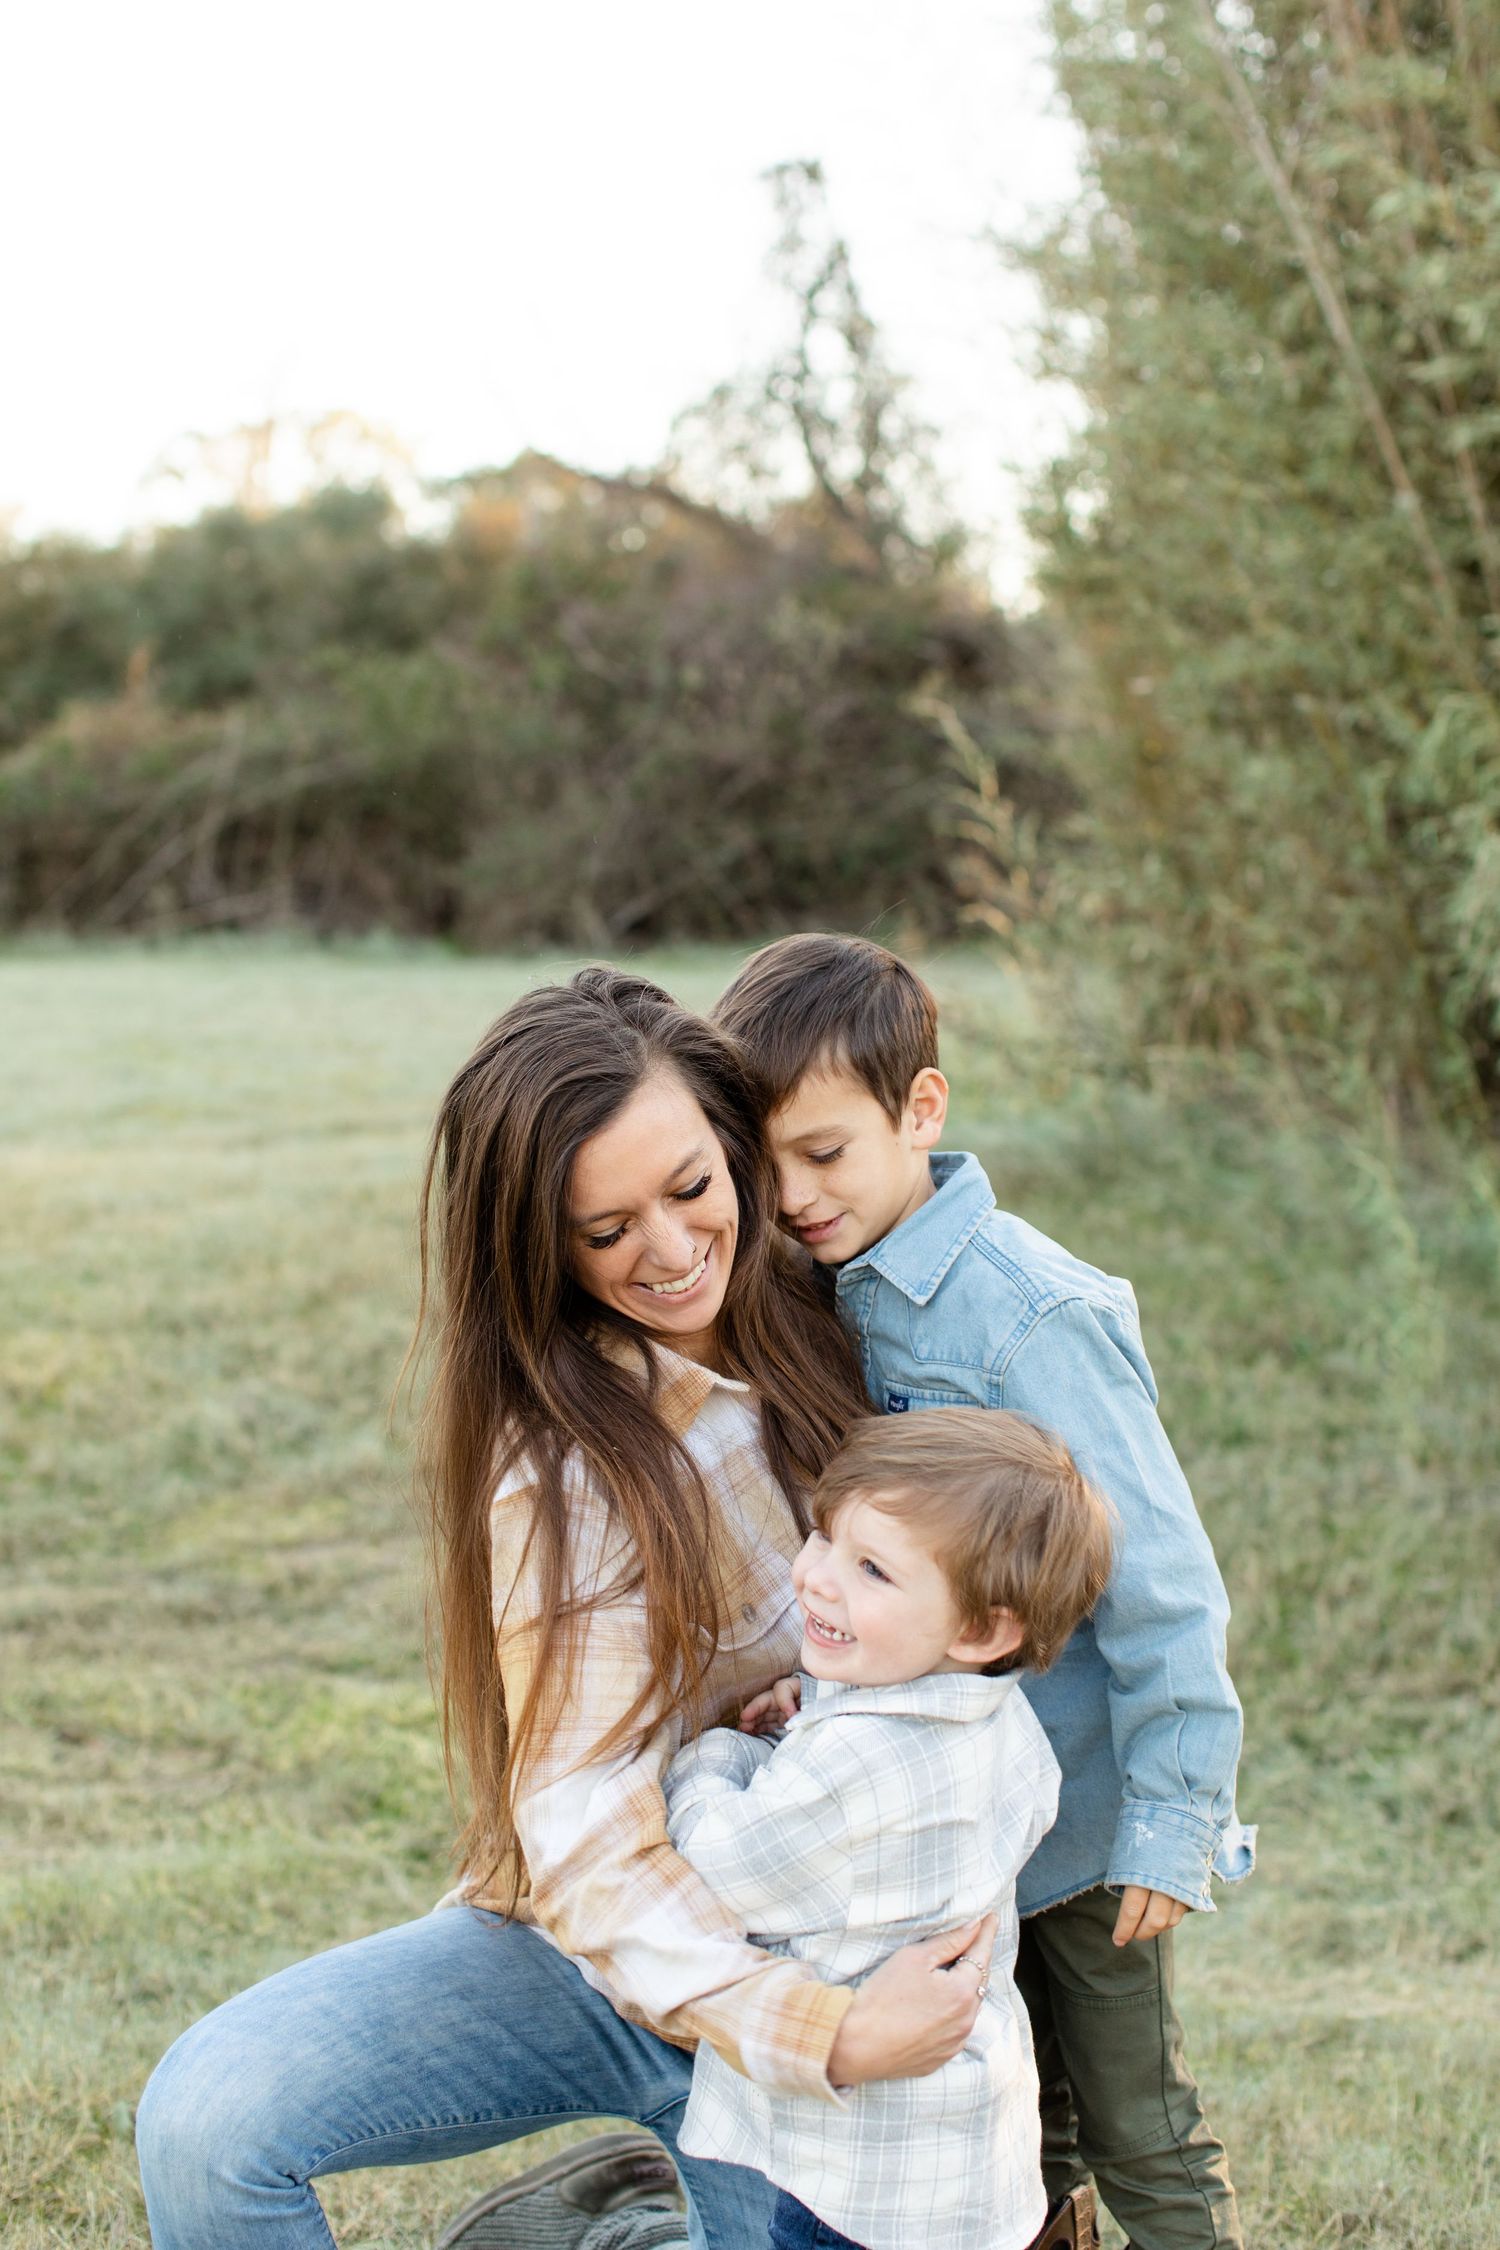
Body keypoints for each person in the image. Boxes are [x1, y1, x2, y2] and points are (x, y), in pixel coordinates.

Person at [134, 967, 1001, 2250]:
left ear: (735, 1143)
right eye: (604, 1232)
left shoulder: (847, 1312)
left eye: (692, 1187)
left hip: (840, 1922)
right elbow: (585, 1827)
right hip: (640, 1952)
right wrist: (814, 2030)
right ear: (540, 1246)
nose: (667, 1250)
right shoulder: (568, 1465)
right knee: (209, 2122)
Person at [712, 934, 1257, 2250]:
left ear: (923, 1109)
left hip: (1076, 1824)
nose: (790, 1196)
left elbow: (1166, 1583)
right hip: (949, 1824)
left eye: (825, 1153)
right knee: (1012, 2124)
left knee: (1139, 2122)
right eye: (765, 1163)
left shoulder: (1026, 1313)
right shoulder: (821, 1292)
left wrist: (1176, 1813)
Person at [663, 1408, 1113, 2250]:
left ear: (981, 1629)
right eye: (825, 1537)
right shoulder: (1000, 1722)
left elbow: (712, 1869)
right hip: (967, 2160)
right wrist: (814, 1711)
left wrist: (718, 1751)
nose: (817, 1578)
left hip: (864, 2182)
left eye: (872, 1569)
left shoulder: (863, 1766)